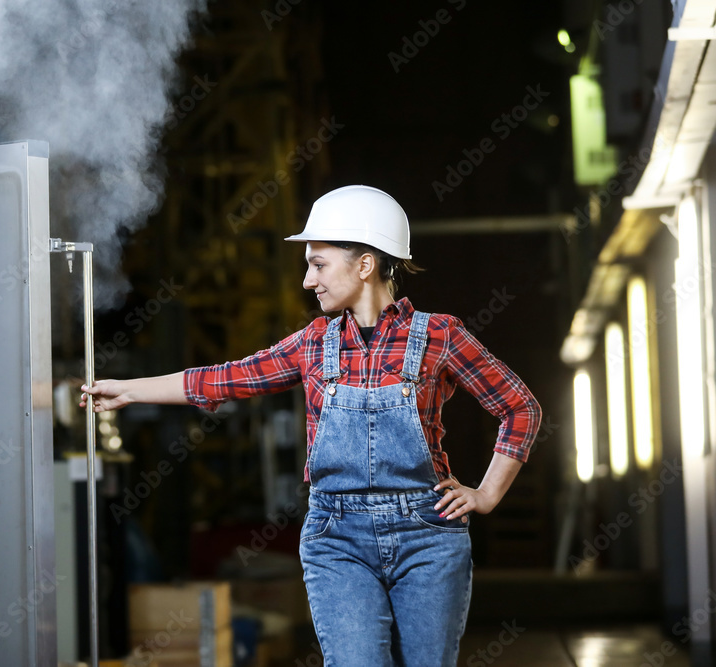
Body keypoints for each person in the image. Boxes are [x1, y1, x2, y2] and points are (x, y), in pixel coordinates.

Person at [82, 185, 542, 667]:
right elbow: (230, 377)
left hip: (427, 535)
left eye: (318, 264)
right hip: (336, 537)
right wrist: (132, 390)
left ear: (364, 264)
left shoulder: (439, 336)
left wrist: (486, 494)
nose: (308, 281)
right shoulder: (312, 343)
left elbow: (520, 407)